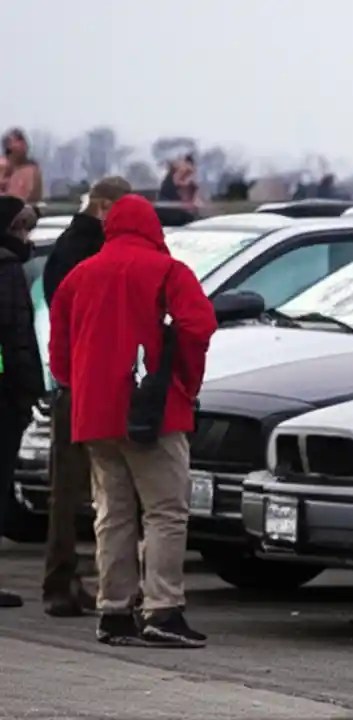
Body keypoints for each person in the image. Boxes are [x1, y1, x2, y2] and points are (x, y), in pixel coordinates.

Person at [49, 195, 216, 647]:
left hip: (94, 415)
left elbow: (60, 353)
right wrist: (183, 382)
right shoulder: (168, 272)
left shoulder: (78, 277)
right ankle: (162, 608)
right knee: (165, 512)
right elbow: (198, 327)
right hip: (152, 412)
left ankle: (114, 610)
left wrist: (79, 386)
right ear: (152, 227)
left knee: (113, 514)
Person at [41, 176, 132, 618]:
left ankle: (64, 579)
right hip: (87, 383)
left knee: (69, 488)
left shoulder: (64, 248)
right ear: (103, 206)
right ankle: (67, 580)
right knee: (103, 486)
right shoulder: (93, 251)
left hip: (68, 382)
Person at [0, 197, 41, 608]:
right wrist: (27, 389)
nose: (26, 237)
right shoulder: (8, 270)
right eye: (22, 228)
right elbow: (14, 340)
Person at [0, 129, 44, 204]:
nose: (21, 144)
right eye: (17, 140)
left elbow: (30, 198)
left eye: (21, 140)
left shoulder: (31, 170)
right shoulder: (3, 165)